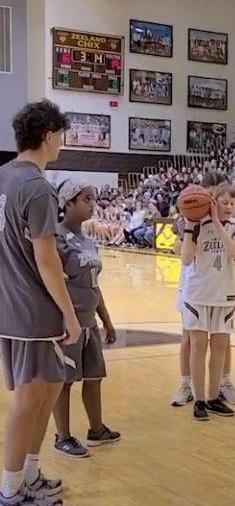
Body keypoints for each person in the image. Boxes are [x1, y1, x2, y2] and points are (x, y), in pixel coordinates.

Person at [0, 101, 79, 506]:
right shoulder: (37, 187)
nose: (62, 143)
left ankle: (28, 474)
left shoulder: (3, 178)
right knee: (28, 401)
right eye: (61, 134)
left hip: (12, 305)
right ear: (48, 135)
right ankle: (11, 490)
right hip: (33, 310)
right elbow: (46, 260)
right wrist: (69, 312)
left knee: (49, 387)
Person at [51, 180, 121, 458]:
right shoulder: (56, 237)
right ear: (68, 202)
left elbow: (94, 284)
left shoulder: (88, 241)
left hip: (89, 321)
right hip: (67, 323)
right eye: (86, 199)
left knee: (94, 376)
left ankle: (96, 429)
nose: (93, 204)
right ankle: (63, 436)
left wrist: (106, 319)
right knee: (65, 380)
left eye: (93, 199)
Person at [171, 171, 235, 408]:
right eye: (212, 192)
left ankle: (222, 382)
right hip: (192, 282)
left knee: (223, 340)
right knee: (190, 339)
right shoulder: (189, 215)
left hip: (219, 282)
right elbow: (177, 247)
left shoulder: (232, 222)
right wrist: (185, 241)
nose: (215, 198)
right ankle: (187, 385)